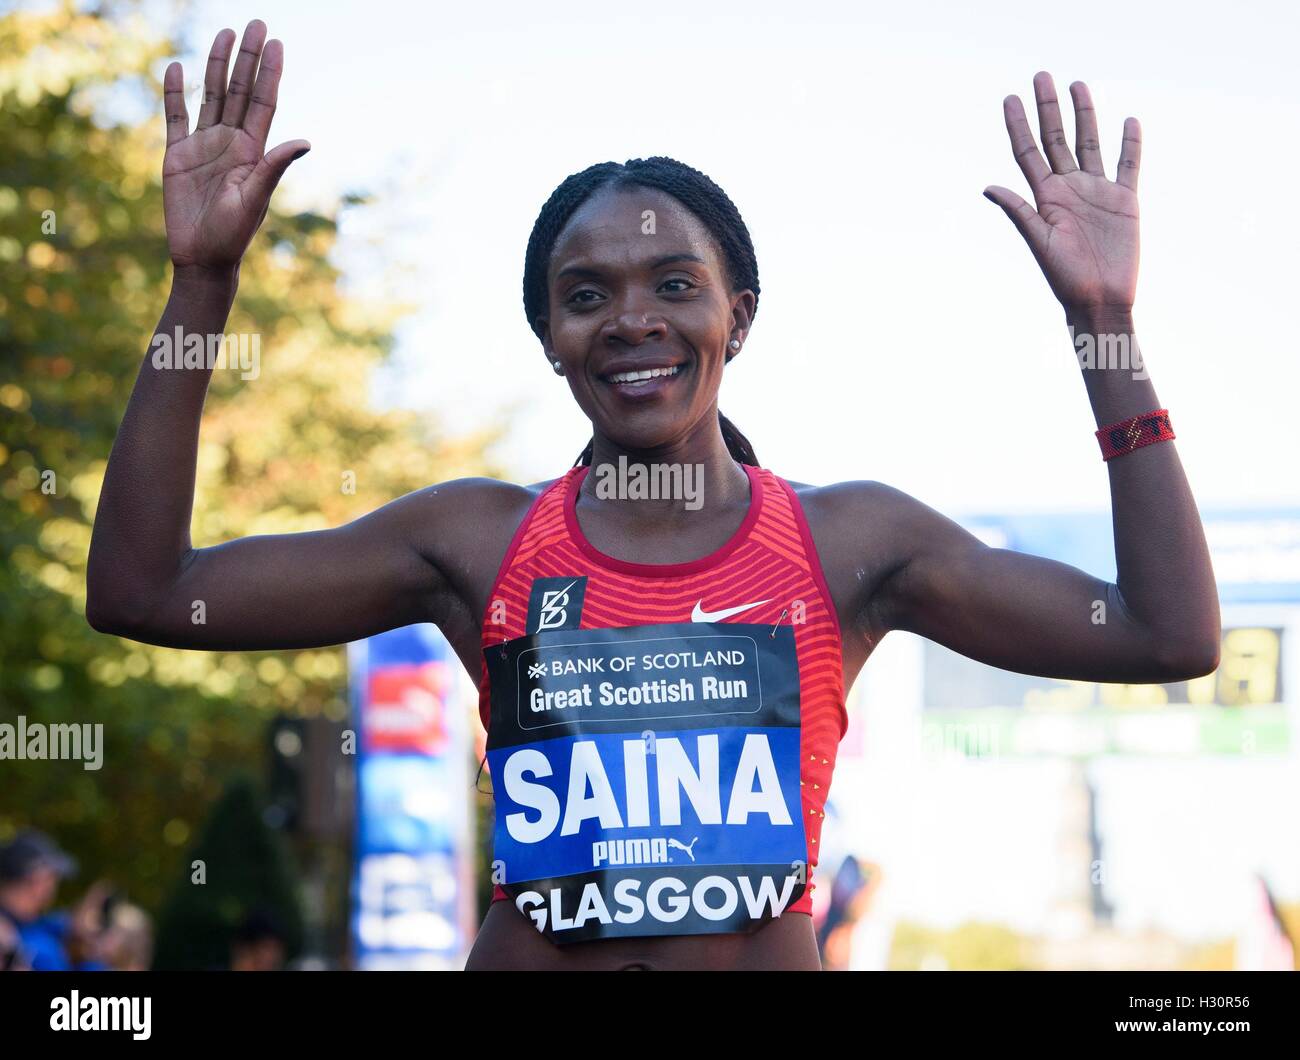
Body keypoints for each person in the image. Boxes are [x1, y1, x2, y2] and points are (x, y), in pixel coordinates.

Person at [86, 20, 1220, 971]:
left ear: (741, 316)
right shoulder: (475, 540)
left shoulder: (848, 543)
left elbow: (1163, 633)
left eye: (675, 284)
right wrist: (201, 285)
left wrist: (1103, 328)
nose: (632, 319)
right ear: (549, 339)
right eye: (586, 295)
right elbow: (144, 592)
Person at [0, 831, 109, 971]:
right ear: (37, 879)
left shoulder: (37, 926)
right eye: (52, 877)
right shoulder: (37, 947)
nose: (53, 886)